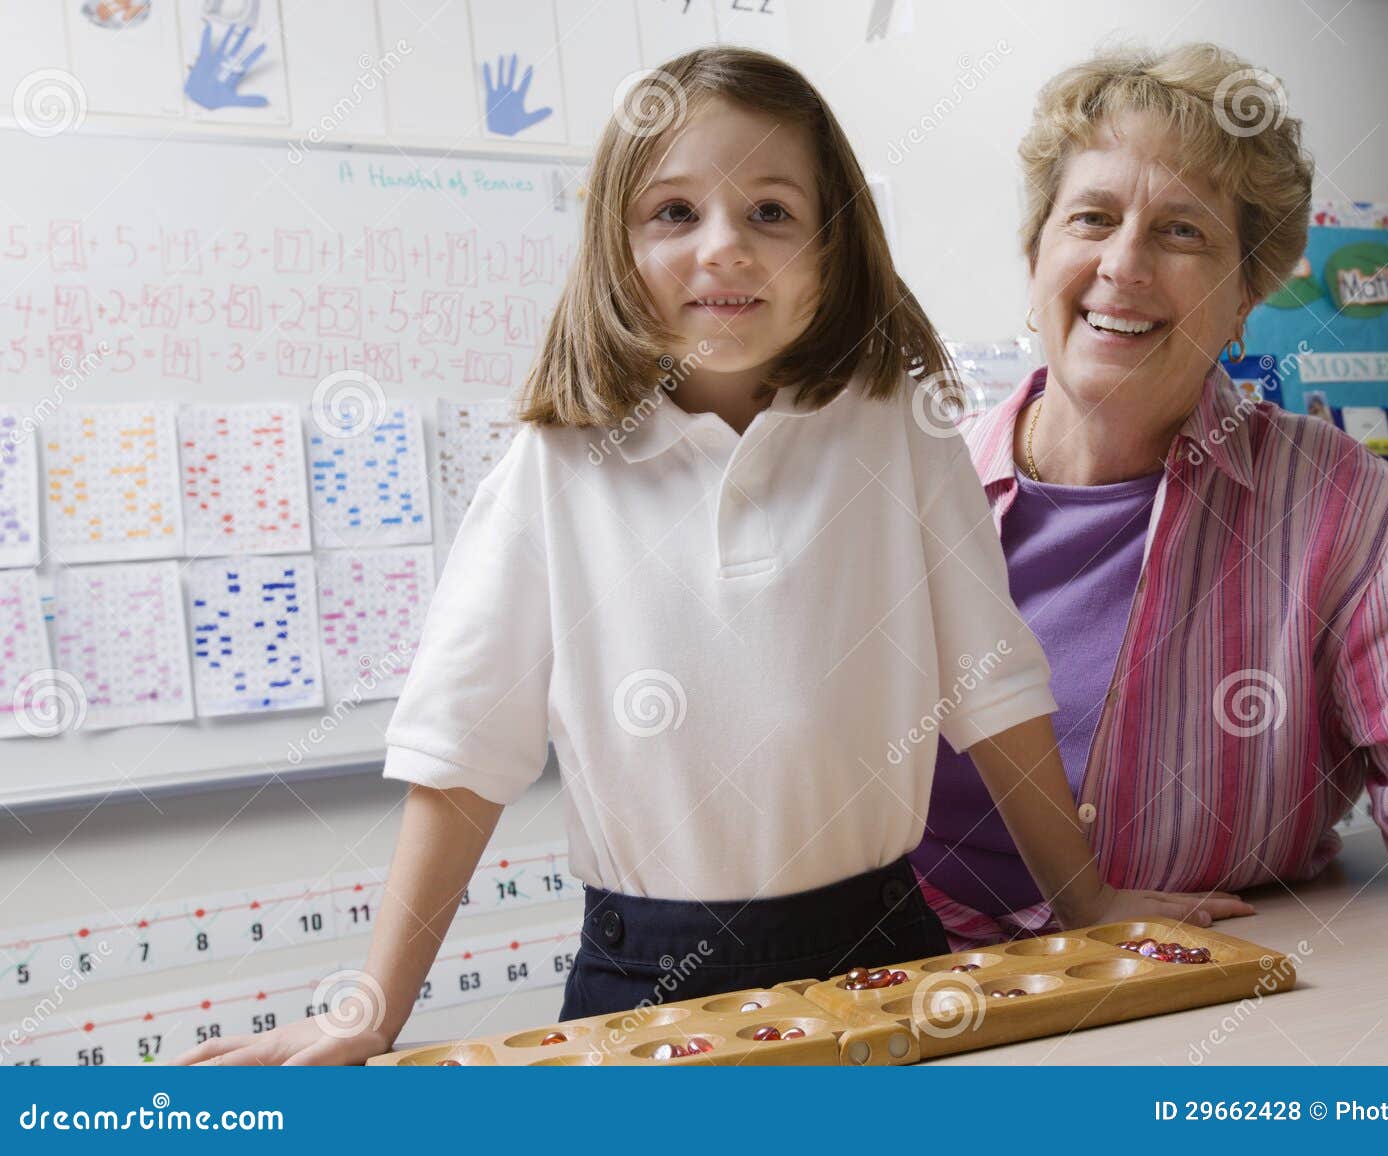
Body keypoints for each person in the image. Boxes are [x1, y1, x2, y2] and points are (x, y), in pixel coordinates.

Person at [175, 47, 1246, 1067]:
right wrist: (372, 1007)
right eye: (675, 213)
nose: (722, 246)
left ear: (830, 250)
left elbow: (995, 689)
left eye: (770, 213)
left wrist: (1089, 903)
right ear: (614, 245)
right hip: (640, 981)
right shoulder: (552, 470)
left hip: (887, 948)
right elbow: (462, 760)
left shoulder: (898, 433)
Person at [911, 43, 1388, 1038]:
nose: (1123, 264)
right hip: (924, 1012)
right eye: (1092, 217)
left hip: (1211, 1014)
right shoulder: (912, 497)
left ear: (1243, 297)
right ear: (1036, 256)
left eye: (1181, 230)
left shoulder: (1341, 506)